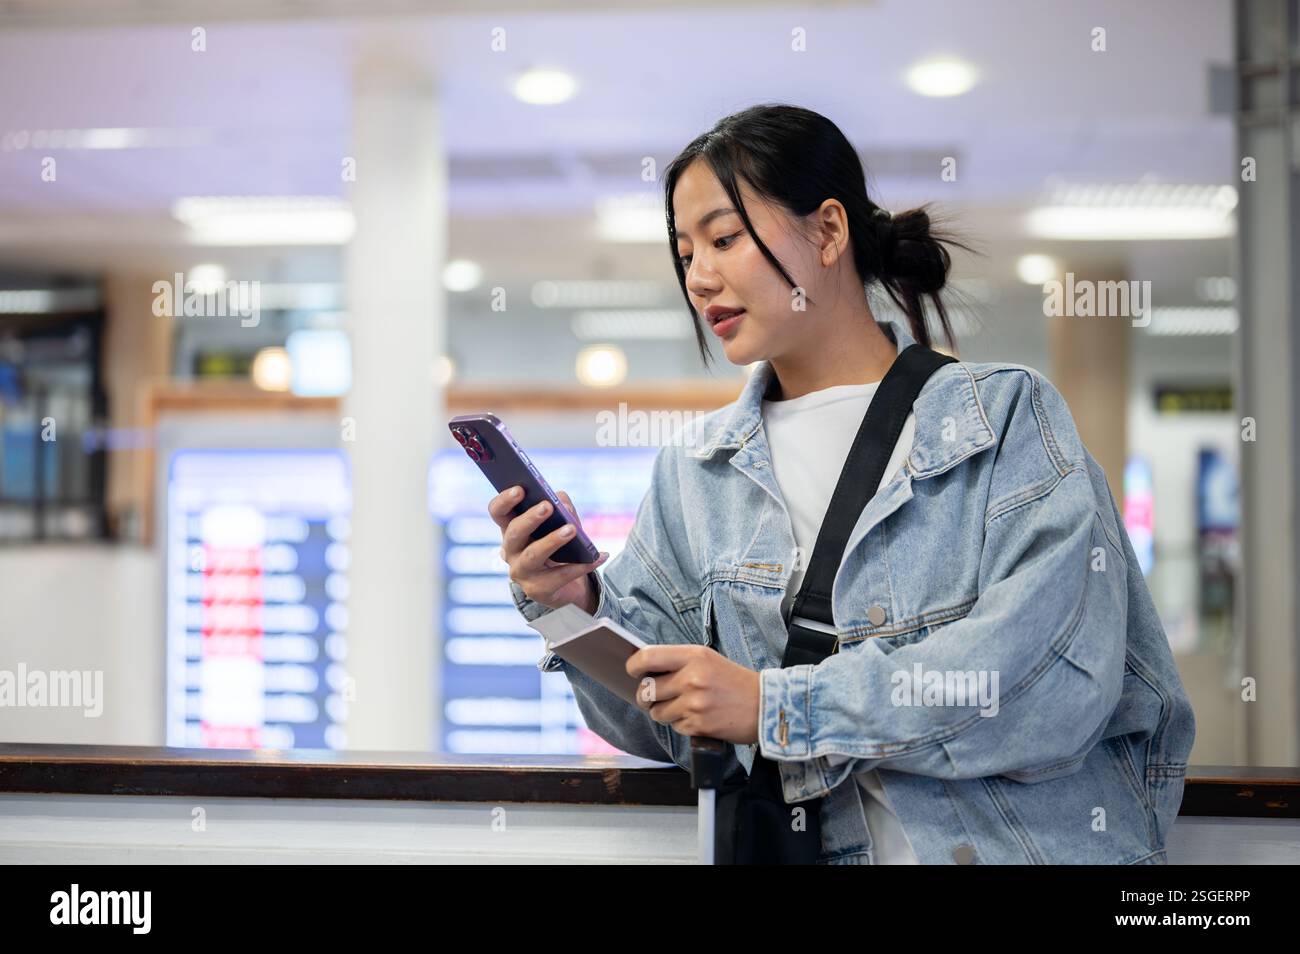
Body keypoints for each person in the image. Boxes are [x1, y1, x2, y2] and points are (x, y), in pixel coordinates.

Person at [492, 103, 1195, 864]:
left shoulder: (1001, 421)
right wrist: (574, 607)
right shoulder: (697, 472)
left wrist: (778, 707)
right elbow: (665, 722)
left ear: (829, 232)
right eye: (685, 251)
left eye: (725, 238)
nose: (699, 277)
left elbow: (1051, 686)